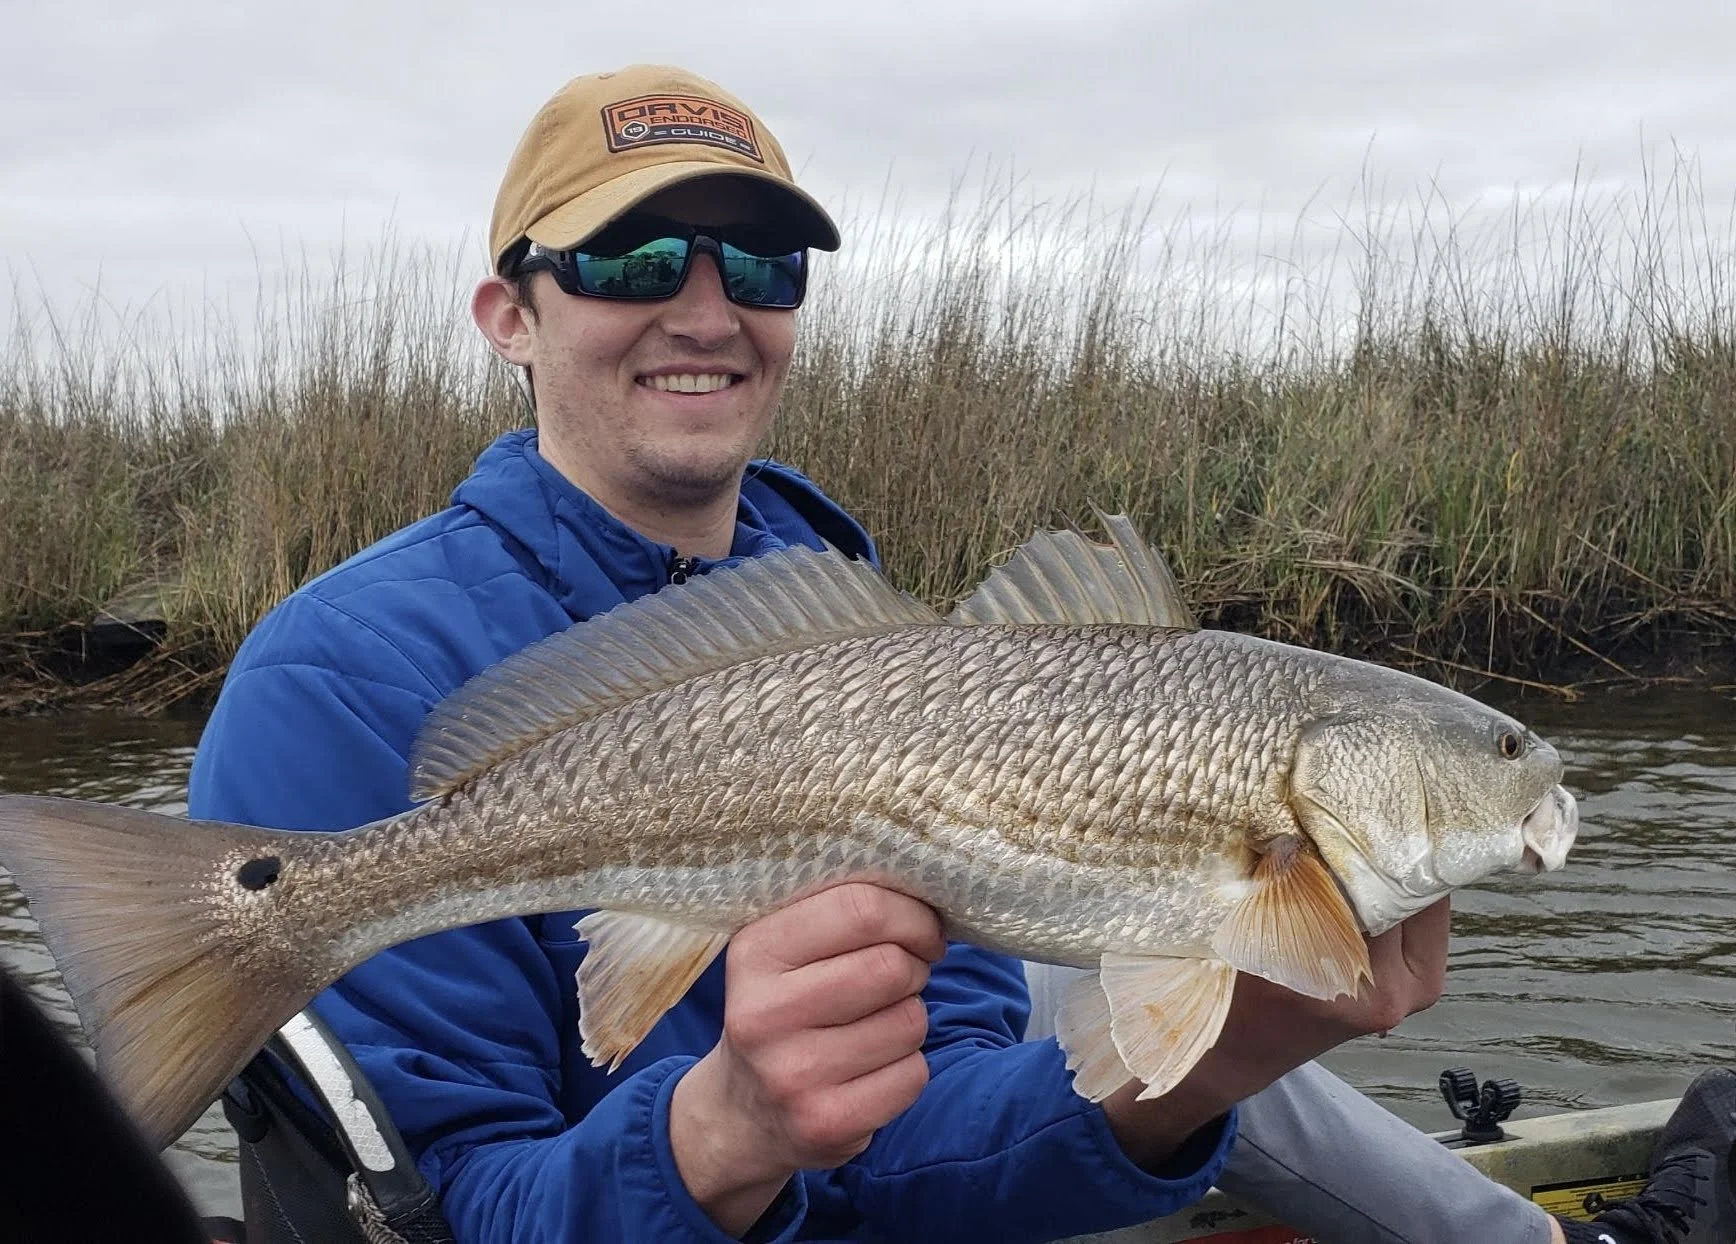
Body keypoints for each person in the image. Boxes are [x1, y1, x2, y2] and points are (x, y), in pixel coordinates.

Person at [184, 63, 1735, 1244]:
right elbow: (436, 1212)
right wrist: (715, 1135)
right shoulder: (340, 677)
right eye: (635, 262)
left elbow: (937, 1151)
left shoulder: (894, 643)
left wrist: (1208, 1059)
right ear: (506, 315)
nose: (708, 308)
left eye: (762, 267)